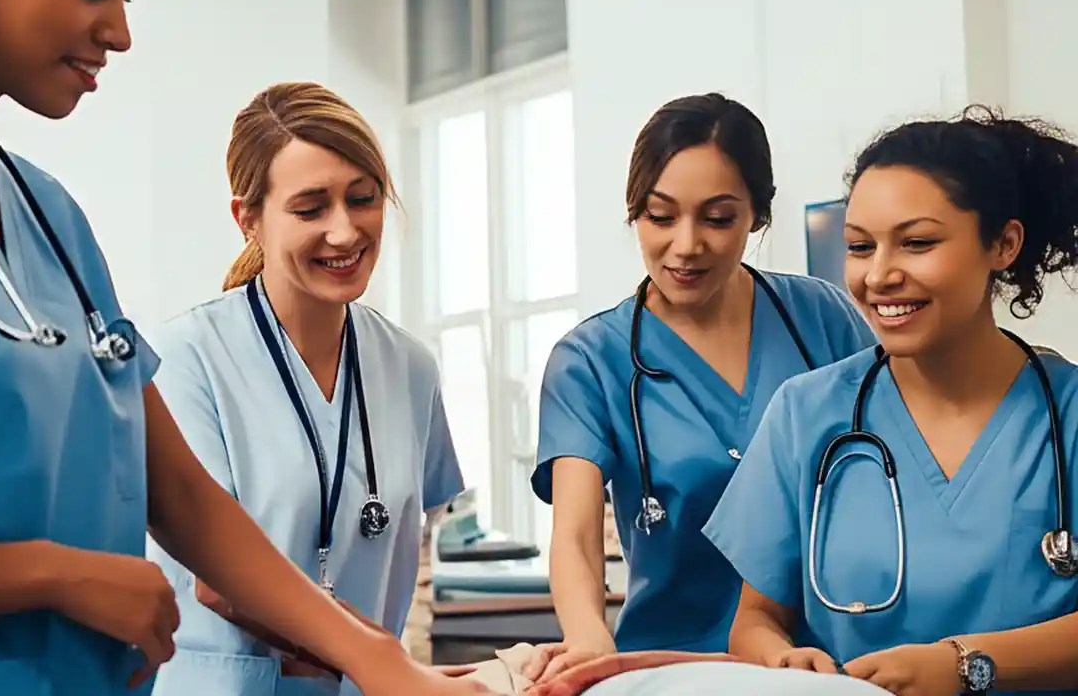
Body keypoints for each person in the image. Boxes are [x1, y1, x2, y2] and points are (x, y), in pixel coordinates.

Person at [0, 0, 488, 695]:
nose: (119, 34)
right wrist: (49, 576)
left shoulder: (49, 216)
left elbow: (181, 497)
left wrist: (385, 665)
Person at [703, 106, 1078, 695]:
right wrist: (783, 661)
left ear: (1003, 244)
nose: (878, 276)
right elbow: (756, 621)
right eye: (859, 247)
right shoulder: (807, 414)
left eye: (917, 243)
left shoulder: (1070, 417)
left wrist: (965, 666)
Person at [529, 93, 876, 679]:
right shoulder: (591, 360)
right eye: (659, 216)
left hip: (823, 666)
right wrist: (589, 639)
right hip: (671, 668)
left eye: (717, 219)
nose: (686, 245)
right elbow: (577, 536)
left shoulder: (821, 317)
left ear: (757, 216)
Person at [144, 81, 466, 695]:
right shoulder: (187, 359)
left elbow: (409, 546)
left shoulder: (410, 367)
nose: (344, 232)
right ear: (249, 219)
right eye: (310, 208)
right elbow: (216, 575)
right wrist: (374, 661)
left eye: (363, 199)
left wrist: (408, 669)